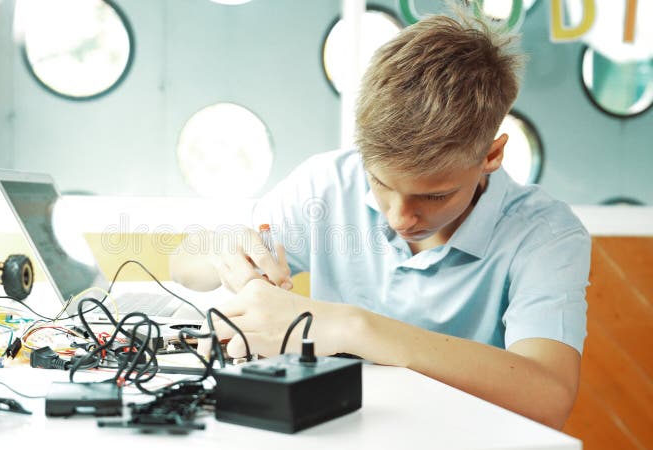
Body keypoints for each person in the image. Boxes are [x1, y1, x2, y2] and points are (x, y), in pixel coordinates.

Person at [169, 11, 590, 430]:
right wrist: (221, 249)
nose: (400, 217)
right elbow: (183, 265)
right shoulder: (327, 185)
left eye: (435, 194)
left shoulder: (546, 235)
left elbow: (549, 396)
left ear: (492, 156)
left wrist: (354, 328)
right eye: (381, 183)